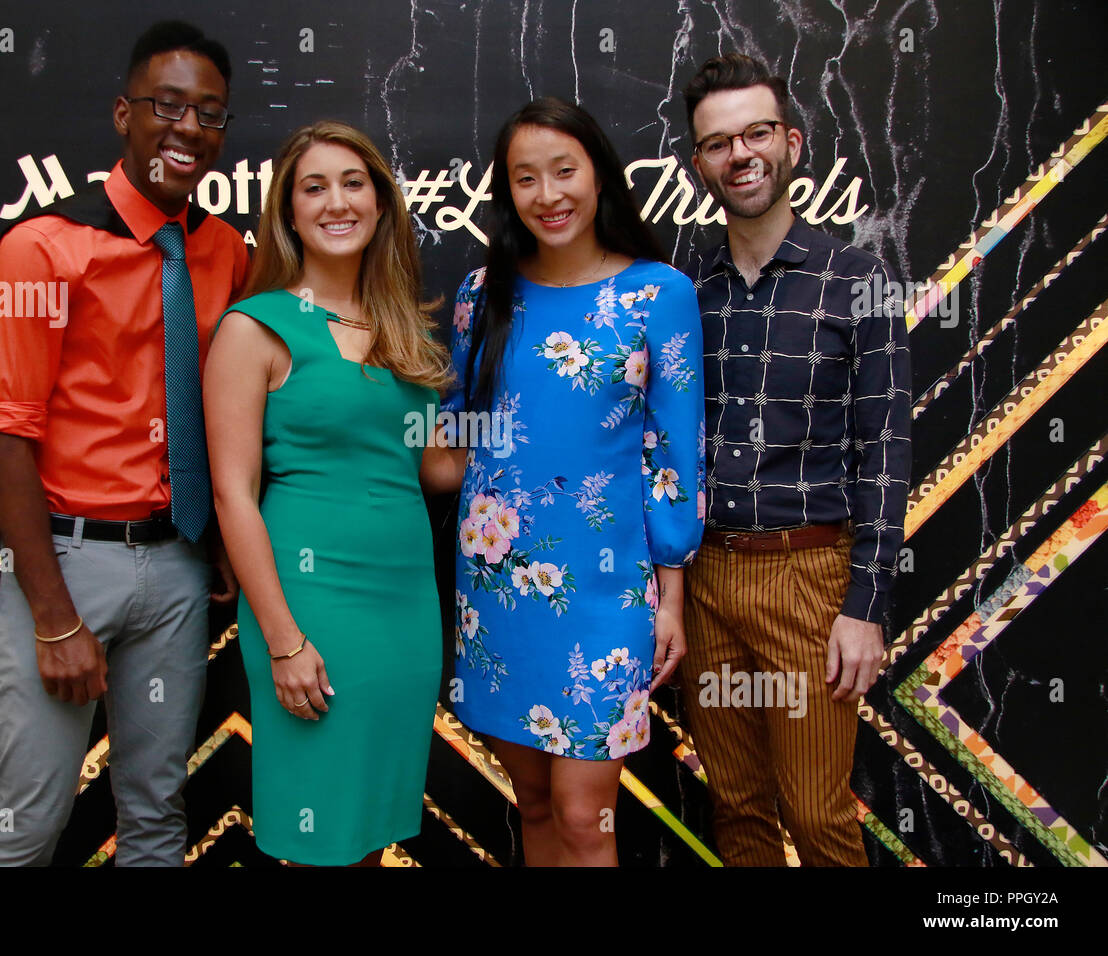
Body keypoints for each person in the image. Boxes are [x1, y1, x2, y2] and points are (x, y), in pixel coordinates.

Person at [0, 21, 249, 866]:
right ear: (123, 115)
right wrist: (53, 617)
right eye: (167, 105)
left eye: (209, 113)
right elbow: (3, 433)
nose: (188, 128)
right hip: (64, 562)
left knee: (157, 815)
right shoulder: (42, 248)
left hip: (178, 564)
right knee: (29, 822)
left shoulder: (224, 251)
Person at [432, 97, 704, 866]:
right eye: (526, 178)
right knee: (538, 803)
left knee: (589, 820)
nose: (548, 195)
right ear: (507, 192)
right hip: (499, 589)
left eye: (564, 171)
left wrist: (671, 596)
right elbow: (460, 429)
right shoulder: (482, 293)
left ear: (599, 176)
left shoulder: (659, 294)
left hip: (607, 595)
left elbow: (675, 459)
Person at [679, 53, 911, 866]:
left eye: (757, 133)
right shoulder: (684, 290)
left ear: (793, 144)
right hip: (704, 574)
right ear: (699, 163)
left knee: (817, 817)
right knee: (736, 811)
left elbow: (886, 448)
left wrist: (867, 604)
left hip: (810, 579)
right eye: (717, 143)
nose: (739, 154)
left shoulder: (857, 281)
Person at [204, 120, 451, 866]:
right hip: (311, 605)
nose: (336, 202)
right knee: (317, 842)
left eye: (353, 183)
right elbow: (231, 494)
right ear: (288, 211)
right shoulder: (255, 327)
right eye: (314, 187)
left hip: (405, 611)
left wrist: (548, 430)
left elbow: (436, 467)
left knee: (367, 832)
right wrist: (285, 642)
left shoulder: (402, 329)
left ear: (380, 204)